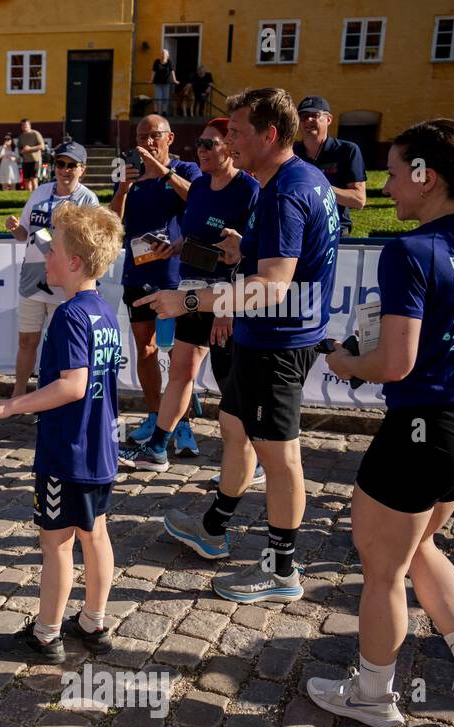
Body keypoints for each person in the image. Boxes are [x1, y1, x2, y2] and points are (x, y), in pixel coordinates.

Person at [142, 87, 341, 605]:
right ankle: (214, 526)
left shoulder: (286, 191)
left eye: (236, 132)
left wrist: (188, 301)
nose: (228, 141)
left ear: (269, 134)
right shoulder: (297, 179)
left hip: (278, 341)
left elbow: (272, 287)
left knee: (280, 456)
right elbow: (287, 257)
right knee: (235, 429)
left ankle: (280, 570)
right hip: (267, 337)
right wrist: (244, 246)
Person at [305, 119, 454, 727]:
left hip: (419, 428)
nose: (386, 187)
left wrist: (347, 363)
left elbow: (395, 363)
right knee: (421, 545)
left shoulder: (411, 251)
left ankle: (372, 695)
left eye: (396, 173)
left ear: (427, 177)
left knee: (383, 570)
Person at [0, 204, 125, 659]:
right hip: (99, 449)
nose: (45, 256)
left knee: (56, 542)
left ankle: (46, 635)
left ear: (73, 262)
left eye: (52, 251)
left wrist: (9, 406)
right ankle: (93, 622)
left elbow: (72, 385)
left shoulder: (70, 316)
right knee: (96, 534)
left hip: (67, 450)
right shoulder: (103, 311)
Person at [119, 118, 259, 472]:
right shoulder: (200, 187)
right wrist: (176, 247)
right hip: (191, 292)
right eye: (199, 142)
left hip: (226, 298)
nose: (201, 149)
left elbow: (252, 253)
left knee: (232, 382)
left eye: (210, 144)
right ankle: (157, 448)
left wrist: (228, 307)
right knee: (181, 371)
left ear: (230, 147)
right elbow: (194, 236)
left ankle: (253, 459)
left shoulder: (247, 188)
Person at [110, 114, 198, 453]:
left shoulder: (185, 169)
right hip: (138, 275)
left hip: (175, 276)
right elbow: (112, 223)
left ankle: (183, 423)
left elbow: (199, 201)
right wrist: (123, 188)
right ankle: (155, 414)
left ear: (169, 138)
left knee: (179, 356)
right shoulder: (127, 173)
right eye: (141, 136)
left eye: (154, 135)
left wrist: (163, 172)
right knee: (145, 350)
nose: (147, 142)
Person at [6, 141, 99, 397]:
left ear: (82, 169)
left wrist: (53, 240)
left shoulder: (87, 199)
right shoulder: (40, 192)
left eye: (72, 165)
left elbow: (89, 242)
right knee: (27, 341)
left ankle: (52, 398)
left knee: (61, 345)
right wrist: (15, 228)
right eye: (60, 164)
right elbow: (24, 234)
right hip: (33, 280)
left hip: (66, 284)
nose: (65, 170)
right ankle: (18, 394)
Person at [293, 96, 367, 238]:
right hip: (299, 232)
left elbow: (359, 200)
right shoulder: (291, 153)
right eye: (303, 116)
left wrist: (317, 188)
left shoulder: (347, 151)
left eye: (314, 115)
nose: (308, 120)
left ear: (329, 119)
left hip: (335, 233)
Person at [18, 119, 45, 190]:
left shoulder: (35, 133)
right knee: (26, 180)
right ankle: (28, 195)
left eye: (25, 125)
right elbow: (19, 149)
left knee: (34, 179)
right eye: (22, 125)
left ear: (29, 125)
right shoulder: (21, 136)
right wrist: (23, 150)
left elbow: (42, 146)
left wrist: (30, 148)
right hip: (25, 161)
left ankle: (35, 194)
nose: (24, 126)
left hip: (35, 160)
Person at [151, 49, 177, 115]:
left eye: (164, 54)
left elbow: (172, 71)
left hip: (166, 83)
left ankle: (164, 112)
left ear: (167, 55)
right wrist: (151, 80)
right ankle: (156, 112)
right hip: (158, 83)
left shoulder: (169, 62)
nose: (162, 55)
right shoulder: (157, 61)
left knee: (165, 98)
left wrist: (174, 80)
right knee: (157, 98)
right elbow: (154, 71)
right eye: (162, 53)